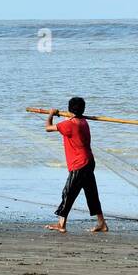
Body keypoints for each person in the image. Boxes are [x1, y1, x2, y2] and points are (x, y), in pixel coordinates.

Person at [45, 97, 108, 233]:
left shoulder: (69, 125)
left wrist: (51, 114)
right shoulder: (83, 122)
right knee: (91, 194)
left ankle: (61, 224)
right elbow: (70, 123)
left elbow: (48, 128)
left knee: (68, 192)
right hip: (89, 161)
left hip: (79, 164)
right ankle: (101, 223)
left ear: (69, 109)